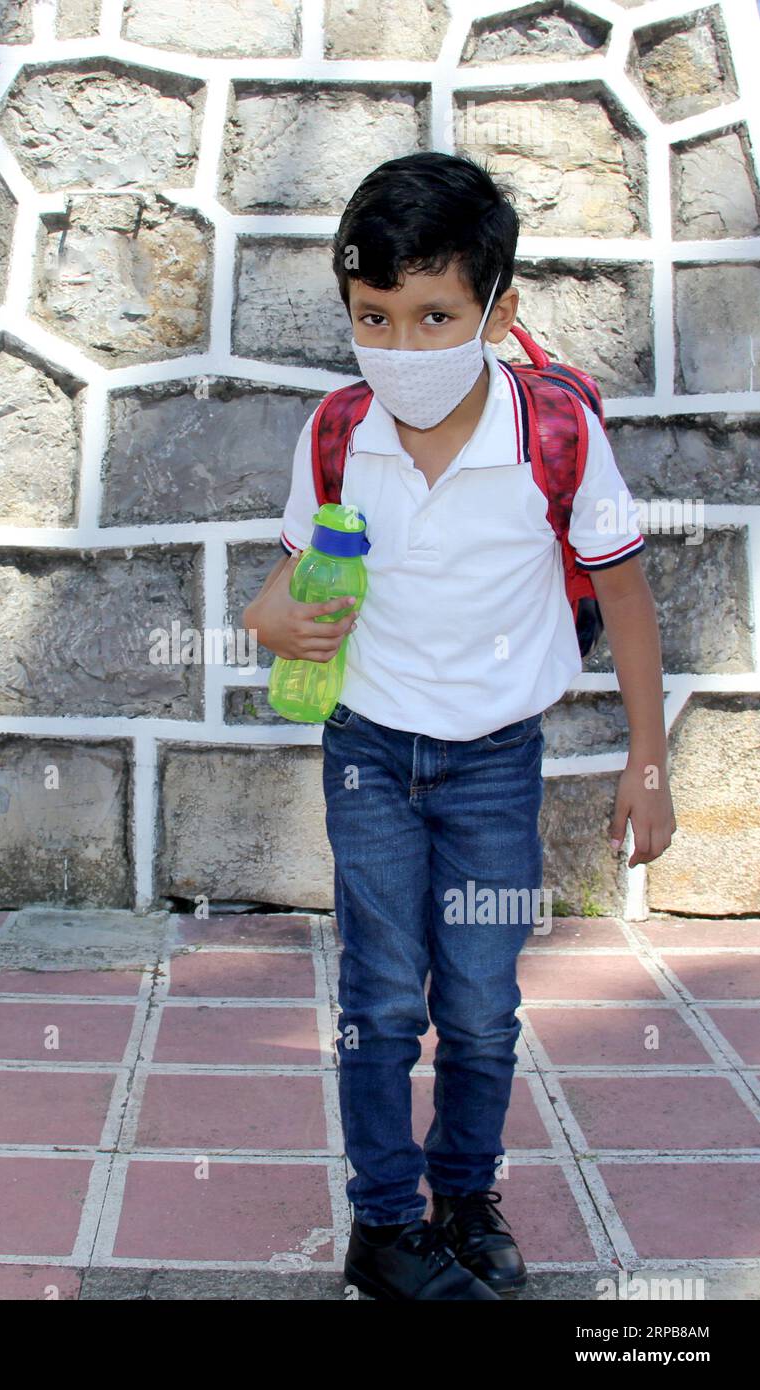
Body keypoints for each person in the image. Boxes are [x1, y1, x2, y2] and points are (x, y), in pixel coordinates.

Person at [243, 152, 677, 1301]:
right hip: (368, 754)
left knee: (481, 1003)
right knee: (381, 998)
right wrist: (275, 620)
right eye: (373, 317)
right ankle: (383, 1226)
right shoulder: (338, 434)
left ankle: (464, 1195)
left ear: (499, 308)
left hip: (496, 762)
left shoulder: (557, 434)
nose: (403, 346)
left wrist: (649, 760)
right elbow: (281, 595)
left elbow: (625, 592)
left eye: (437, 315)